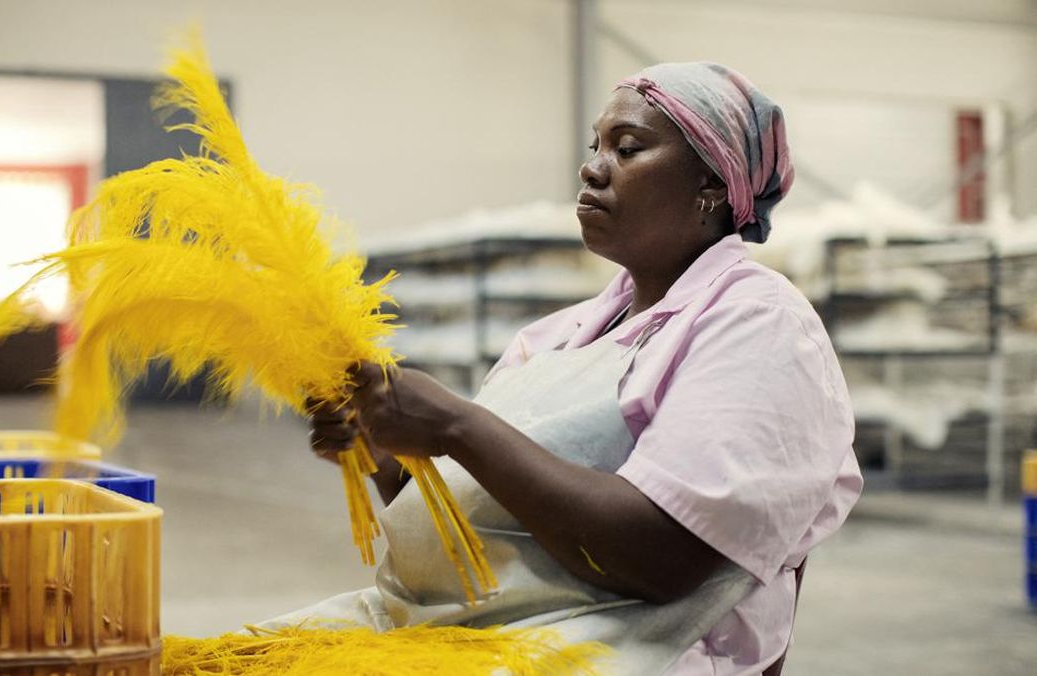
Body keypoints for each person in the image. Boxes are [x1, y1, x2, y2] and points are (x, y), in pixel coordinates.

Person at [301, 62, 862, 675]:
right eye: (596, 146)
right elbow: (479, 523)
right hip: (491, 630)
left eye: (628, 147)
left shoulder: (759, 322)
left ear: (709, 182)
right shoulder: (554, 339)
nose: (592, 168)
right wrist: (383, 456)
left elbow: (664, 559)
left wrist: (458, 426)